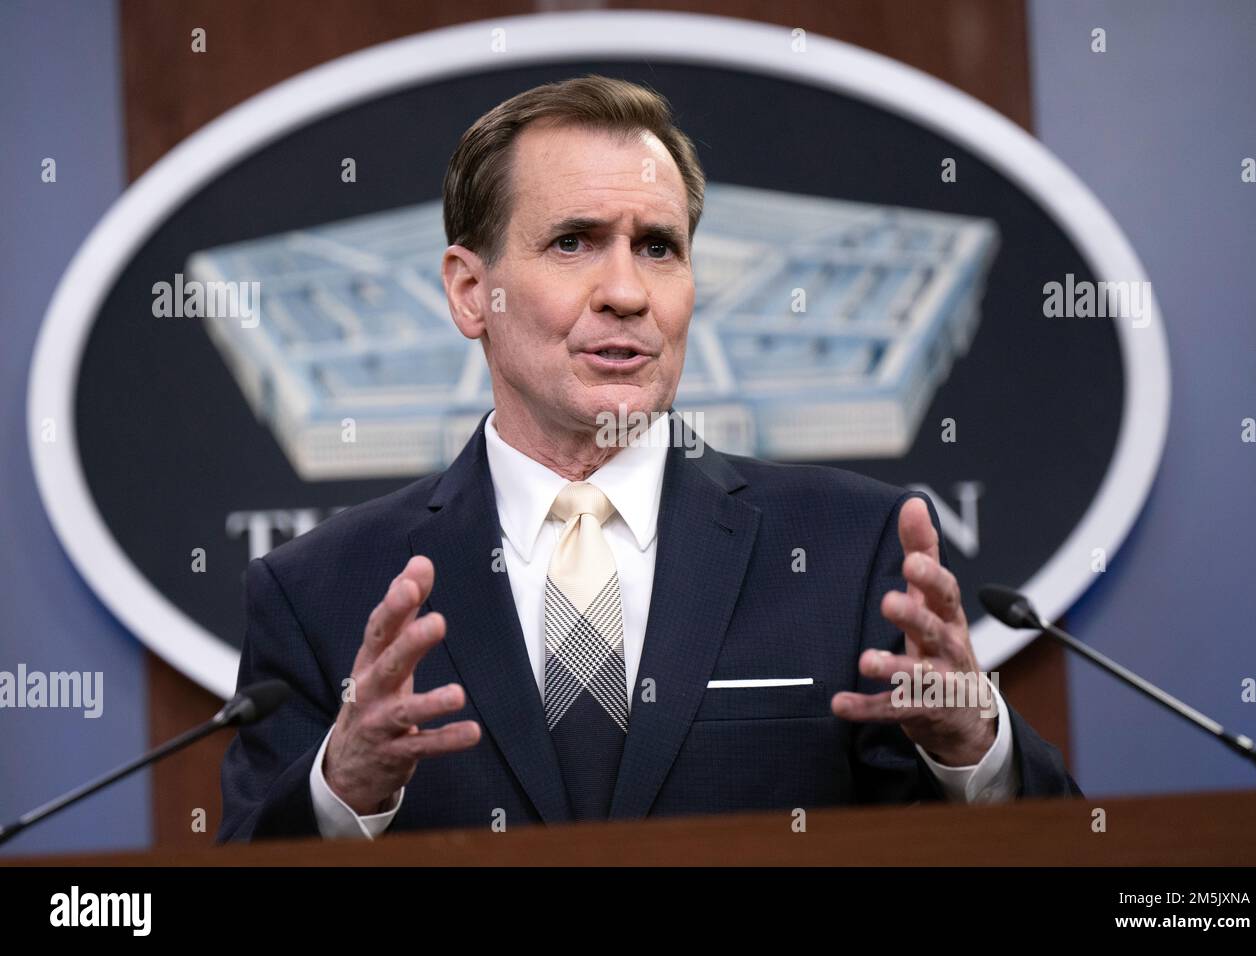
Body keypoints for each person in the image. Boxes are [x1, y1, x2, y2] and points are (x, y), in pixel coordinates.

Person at [218, 75, 1078, 842]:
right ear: (471, 292)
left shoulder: (852, 551)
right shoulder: (319, 592)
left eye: (658, 247)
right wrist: (342, 794)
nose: (627, 292)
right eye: (574, 242)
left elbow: (1059, 854)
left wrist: (979, 751)